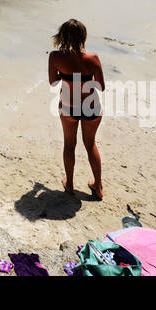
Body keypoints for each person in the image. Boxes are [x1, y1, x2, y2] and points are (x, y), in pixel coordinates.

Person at [47, 18, 104, 200]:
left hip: (69, 108)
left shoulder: (55, 57)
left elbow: (53, 82)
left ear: (62, 36)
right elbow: (101, 86)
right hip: (91, 108)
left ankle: (70, 184)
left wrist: (68, 77)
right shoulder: (93, 58)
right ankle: (98, 186)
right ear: (83, 37)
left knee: (69, 145)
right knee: (90, 144)